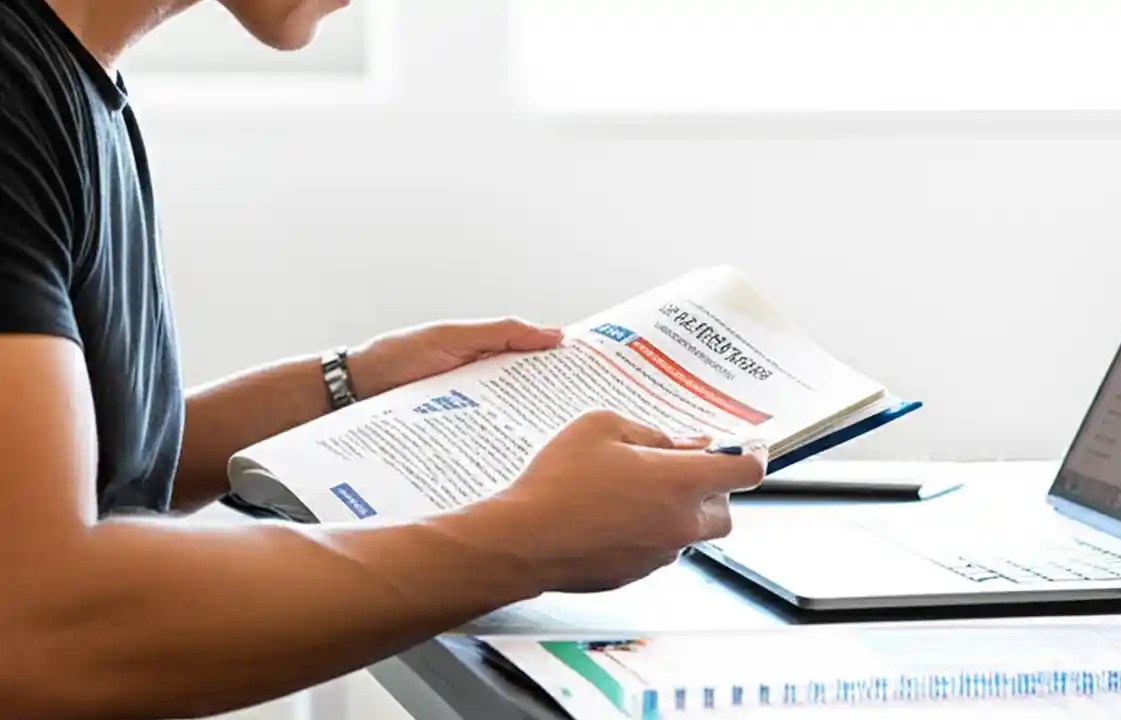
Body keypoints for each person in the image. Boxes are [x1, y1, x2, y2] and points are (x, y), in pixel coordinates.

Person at [0, 0, 766, 716]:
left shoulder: (71, 77)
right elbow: (37, 622)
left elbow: (99, 476)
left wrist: (349, 386)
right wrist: (528, 539)